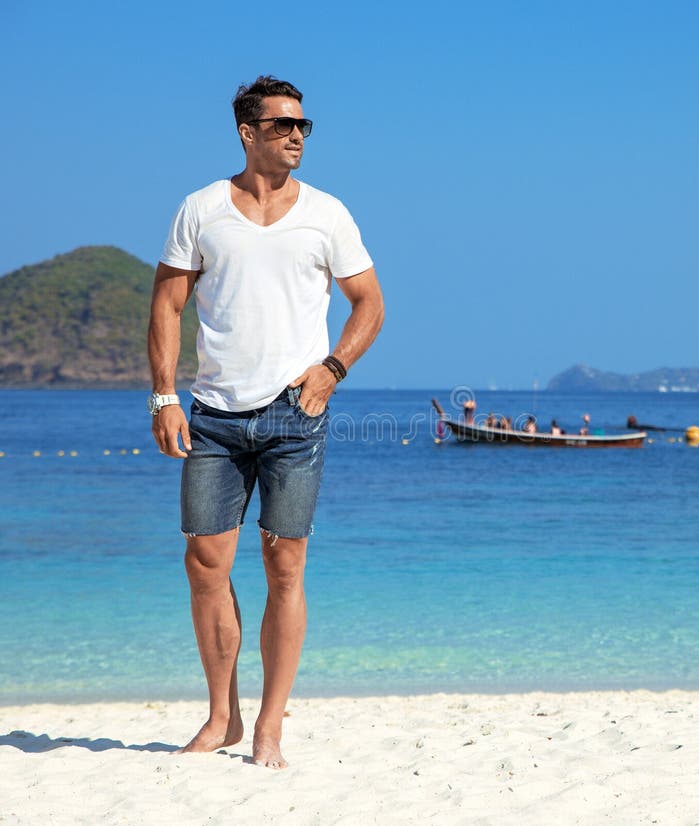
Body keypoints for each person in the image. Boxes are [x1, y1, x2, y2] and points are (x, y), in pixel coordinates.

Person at [147, 75, 384, 769]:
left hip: (295, 415)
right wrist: (163, 397)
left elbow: (369, 303)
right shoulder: (200, 209)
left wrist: (332, 368)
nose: (297, 135)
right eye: (284, 125)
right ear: (247, 132)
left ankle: (270, 726)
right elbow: (167, 304)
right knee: (205, 564)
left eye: (304, 125)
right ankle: (222, 716)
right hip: (213, 418)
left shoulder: (327, 215)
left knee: (286, 565)